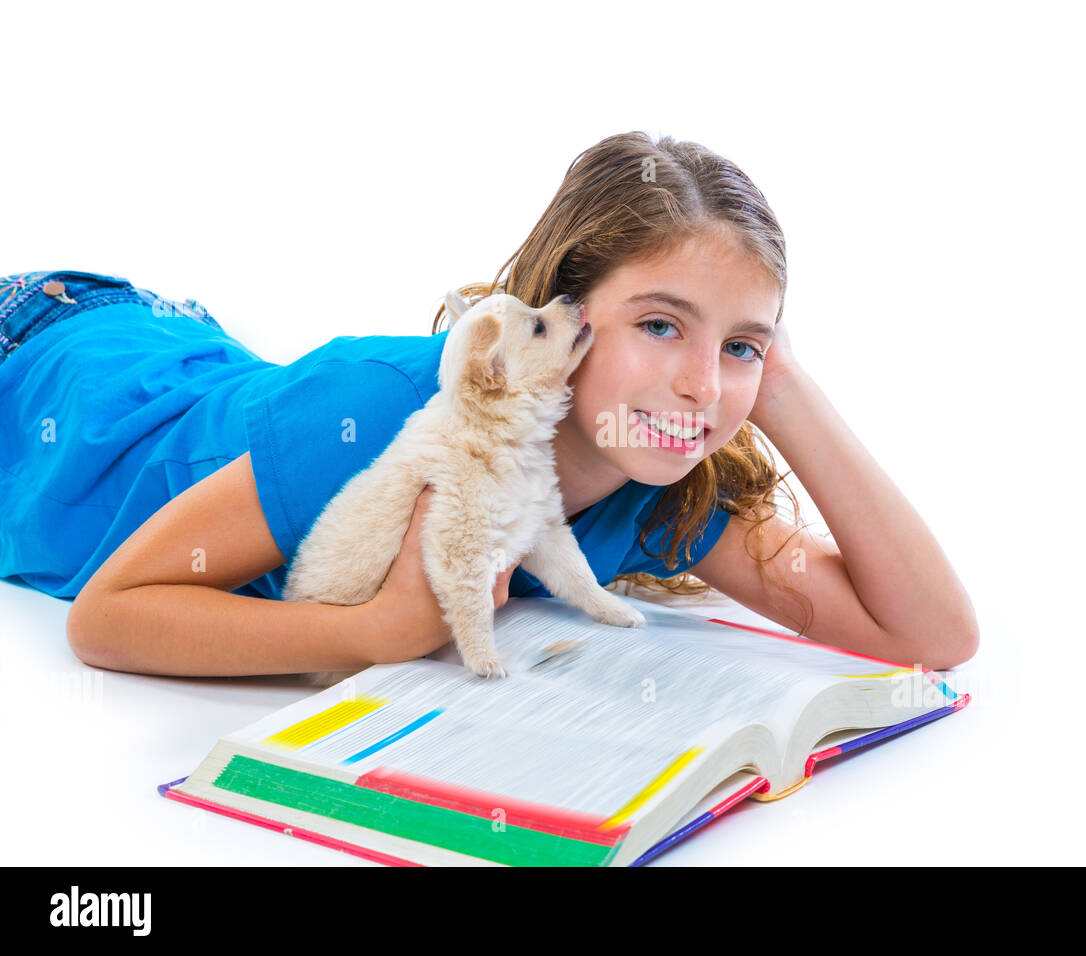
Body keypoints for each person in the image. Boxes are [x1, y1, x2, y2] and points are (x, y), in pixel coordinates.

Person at [0, 131, 978, 678]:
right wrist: (368, 633)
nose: (702, 385)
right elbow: (110, 616)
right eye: (662, 325)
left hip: (160, 355)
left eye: (740, 346)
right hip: (44, 361)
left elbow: (931, 637)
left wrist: (786, 388)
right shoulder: (380, 418)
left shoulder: (662, 480)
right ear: (564, 310)